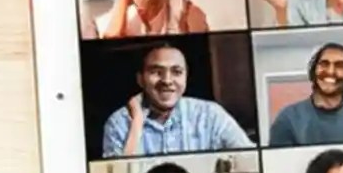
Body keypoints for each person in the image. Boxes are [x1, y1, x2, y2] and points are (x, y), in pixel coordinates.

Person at [103, 43, 254, 156]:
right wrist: (137, 123)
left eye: (176, 72)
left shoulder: (210, 115)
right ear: (140, 79)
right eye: (156, 72)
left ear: (186, 77)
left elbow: (251, 158)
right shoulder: (119, 123)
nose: (167, 80)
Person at [268, 43, 343, 147]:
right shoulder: (288, 119)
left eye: (339, 66)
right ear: (314, 71)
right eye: (324, 64)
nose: (330, 71)